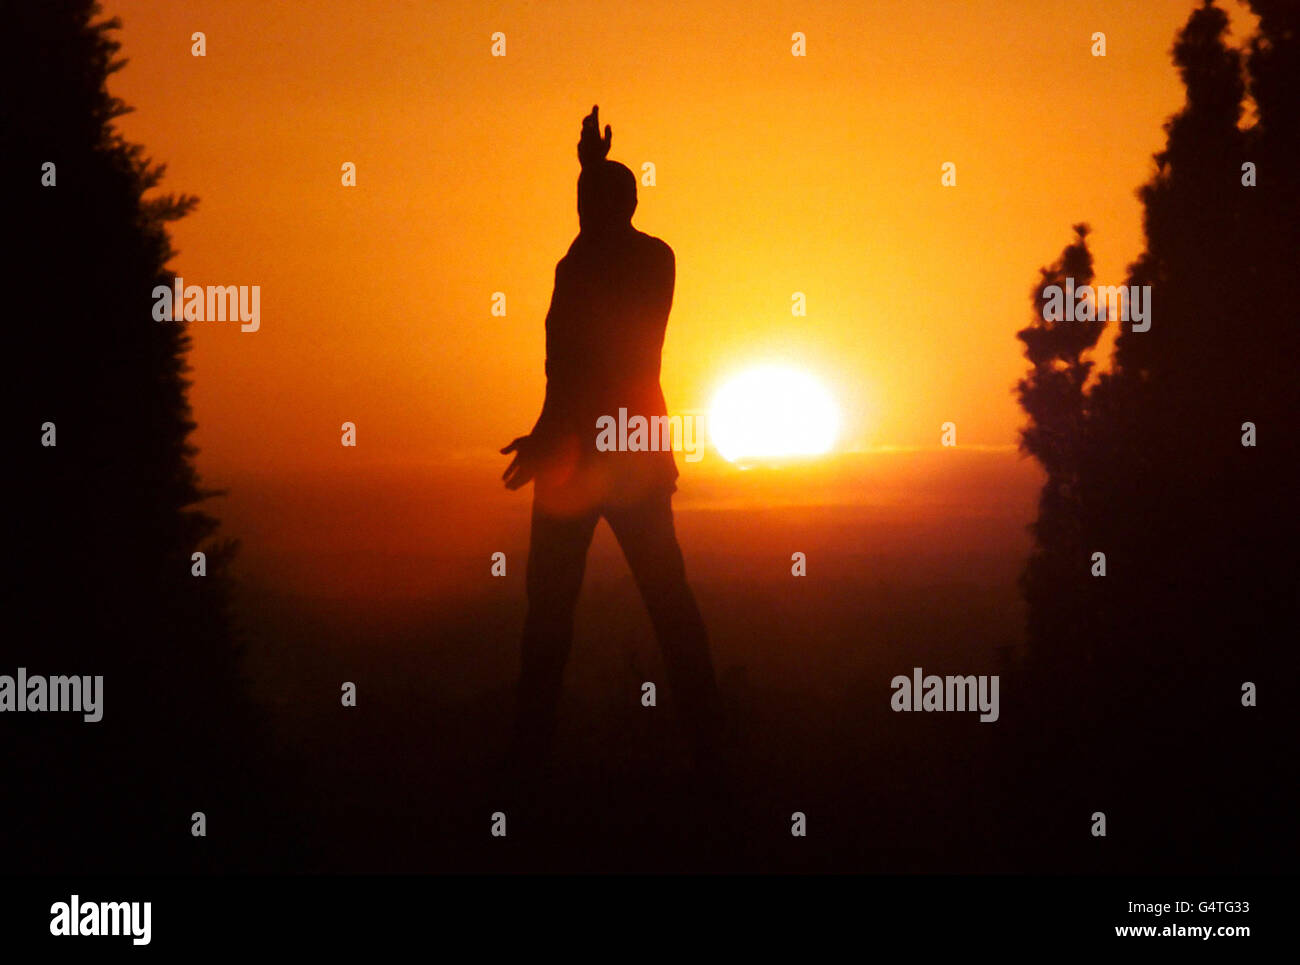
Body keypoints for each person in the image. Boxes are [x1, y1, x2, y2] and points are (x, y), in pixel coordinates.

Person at [501, 106, 722, 777]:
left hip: (610, 454)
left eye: (588, 201)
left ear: (616, 205)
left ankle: (711, 749)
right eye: (579, 201)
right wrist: (543, 437)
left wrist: (548, 438)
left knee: (659, 600)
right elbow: (564, 364)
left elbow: (596, 356)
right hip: (601, 455)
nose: (578, 212)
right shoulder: (596, 260)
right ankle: (532, 757)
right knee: (559, 610)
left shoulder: (642, 260)